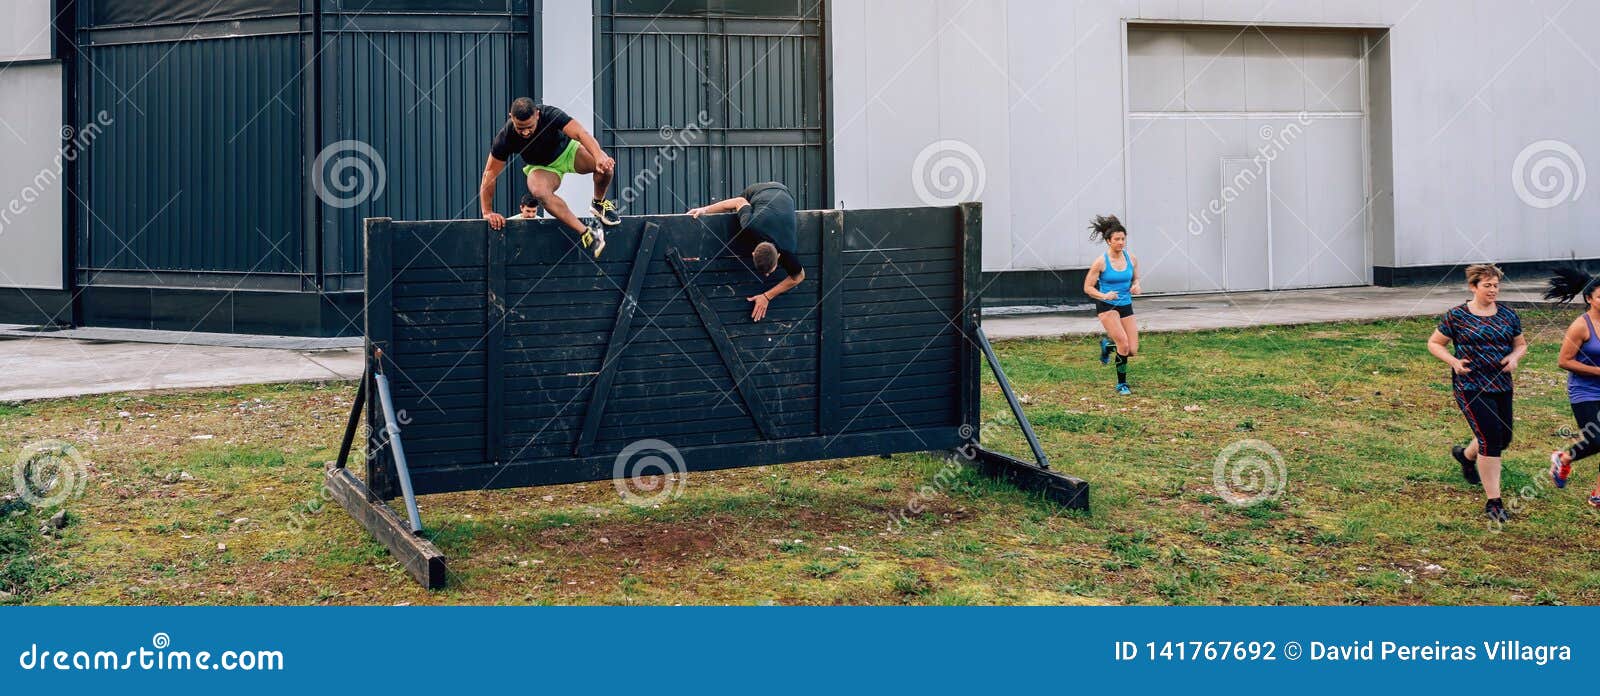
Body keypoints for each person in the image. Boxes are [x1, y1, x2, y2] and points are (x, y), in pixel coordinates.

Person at [1427, 264, 1527, 523]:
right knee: (1491, 439)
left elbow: (1521, 345)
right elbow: (1435, 343)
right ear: (1474, 287)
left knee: (1503, 438)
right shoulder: (1457, 316)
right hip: (1470, 384)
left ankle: (1465, 455)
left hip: (1501, 383)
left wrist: (1514, 358)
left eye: (1496, 285)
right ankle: (1494, 502)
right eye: (1487, 285)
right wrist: (1454, 362)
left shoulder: (1507, 315)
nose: (1493, 290)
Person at [479, 97, 619, 257]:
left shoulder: (550, 114)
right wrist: (487, 211)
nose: (525, 132)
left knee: (605, 167)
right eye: (520, 128)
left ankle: (598, 204)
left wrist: (599, 156)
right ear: (511, 117)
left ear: (537, 115)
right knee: (539, 192)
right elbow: (490, 173)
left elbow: (580, 133)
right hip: (542, 168)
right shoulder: (505, 137)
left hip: (568, 152)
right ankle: (587, 234)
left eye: (529, 127)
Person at [687, 182, 805, 322]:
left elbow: (799, 276)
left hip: (783, 191)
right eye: (768, 272)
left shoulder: (787, 249)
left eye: (769, 271)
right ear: (753, 253)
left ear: (779, 255)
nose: (767, 275)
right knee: (735, 214)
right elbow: (740, 201)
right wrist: (704, 210)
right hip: (757, 193)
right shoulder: (750, 226)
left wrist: (767, 296)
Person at [1543, 268, 1600, 507]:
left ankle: (1598, 494)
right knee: (1597, 439)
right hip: (1585, 392)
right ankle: (1562, 458)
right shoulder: (1581, 326)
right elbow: (1564, 361)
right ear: (1589, 299)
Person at [1081, 215, 1140, 396]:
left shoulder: (1131, 258)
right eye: (1117, 239)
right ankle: (1122, 384)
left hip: (1126, 304)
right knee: (1122, 343)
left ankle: (1107, 347)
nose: (1121, 242)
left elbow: (1136, 277)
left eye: (1123, 239)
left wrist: (1137, 285)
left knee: (1132, 350)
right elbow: (1087, 288)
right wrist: (1104, 295)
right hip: (1107, 305)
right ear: (1108, 241)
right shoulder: (1101, 262)